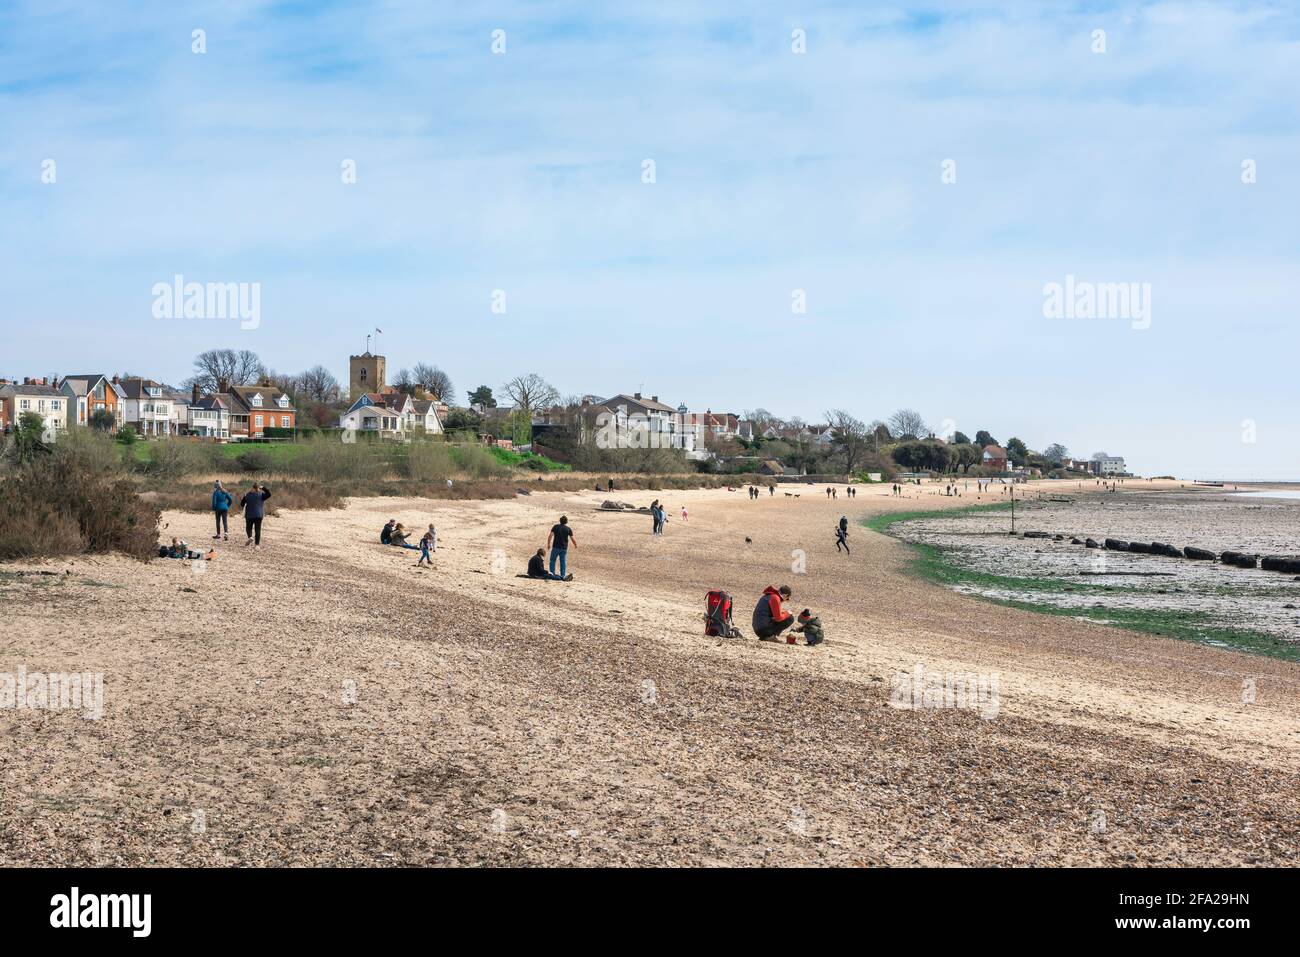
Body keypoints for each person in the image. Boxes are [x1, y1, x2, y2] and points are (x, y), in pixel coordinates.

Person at [239, 483, 271, 549]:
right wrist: (263, 487)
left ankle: (250, 537)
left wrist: (244, 497)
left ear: (252, 488)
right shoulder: (261, 495)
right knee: (257, 529)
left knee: (248, 528)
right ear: (258, 488)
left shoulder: (247, 495)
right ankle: (257, 545)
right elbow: (269, 494)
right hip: (259, 515)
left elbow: (242, 504)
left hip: (249, 515)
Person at [547, 515, 576, 579]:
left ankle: (552, 573)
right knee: (563, 562)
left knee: (552, 560)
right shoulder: (568, 529)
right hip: (564, 548)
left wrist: (548, 544)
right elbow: (572, 538)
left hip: (555, 547)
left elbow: (550, 536)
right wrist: (575, 545)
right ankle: (563, 575)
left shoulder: (555, 527)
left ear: (560, 520)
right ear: (566, 522)